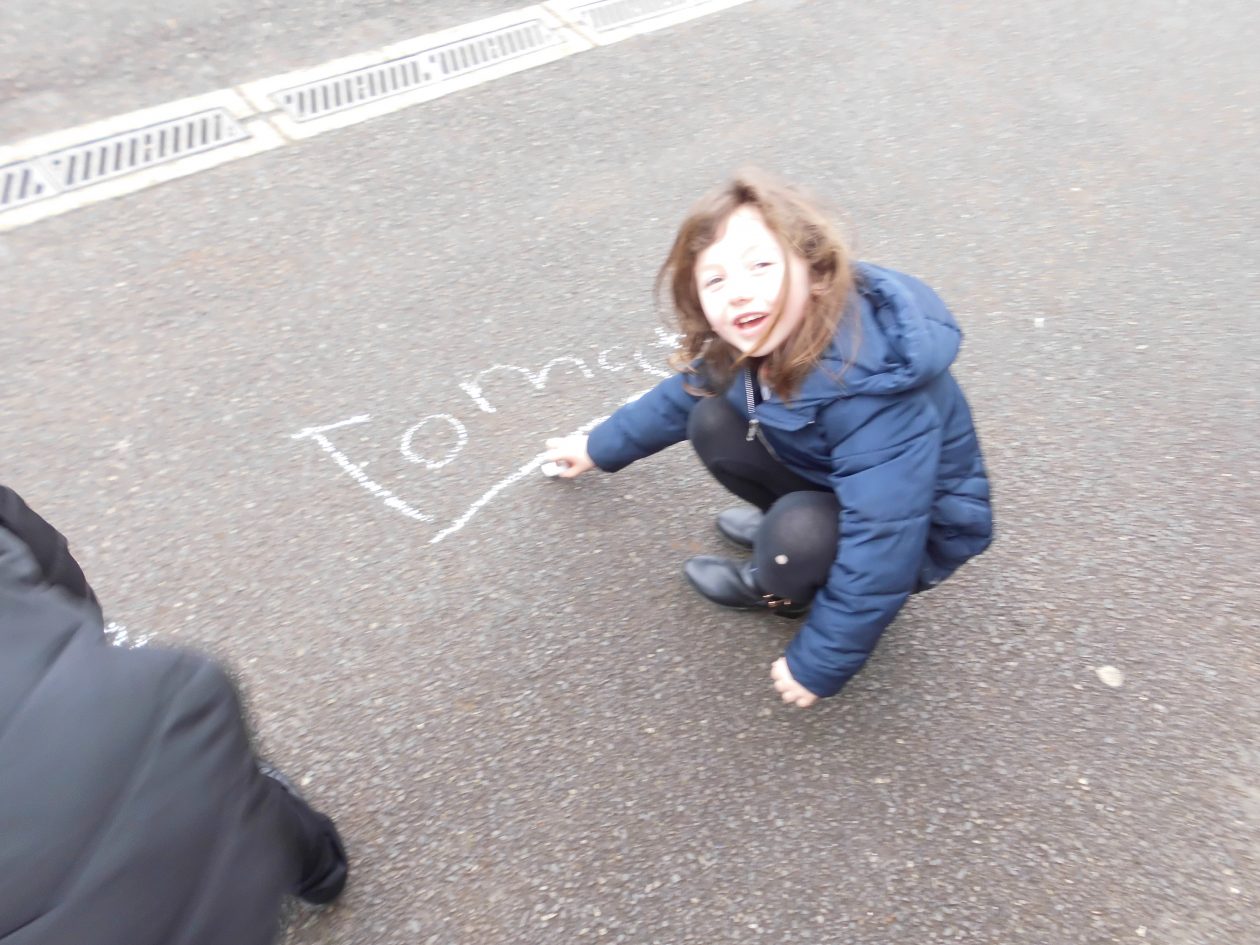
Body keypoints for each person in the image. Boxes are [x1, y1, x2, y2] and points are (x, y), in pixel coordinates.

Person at [542, 170, 993, 708]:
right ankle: (793, 532)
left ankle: (781, 586)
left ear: (816, 273)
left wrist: (821, 662)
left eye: (760, 265)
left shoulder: (873, 397)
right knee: (710, 419)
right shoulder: (764, 332)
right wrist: (595, 449)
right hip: (839, 479)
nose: (739, 292)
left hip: (913, 531)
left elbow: (884, 543)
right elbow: (678, 398)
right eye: (715, 281)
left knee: (800, 533)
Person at [0, 485, 348, 945]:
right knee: (206, 760)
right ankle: (321, 869)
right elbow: (57, 574)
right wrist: (83, 650)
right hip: (137, 718)